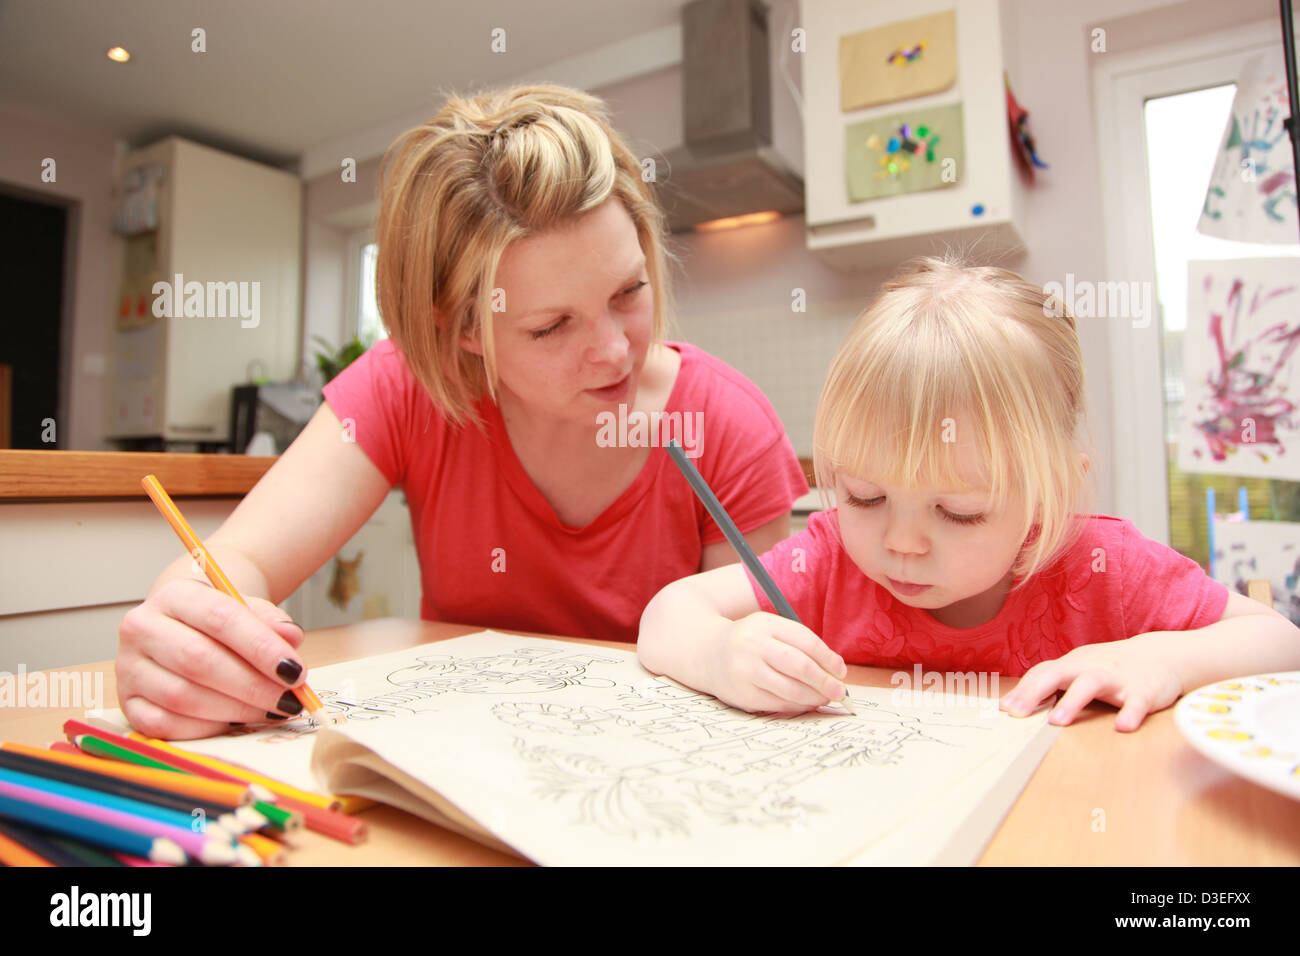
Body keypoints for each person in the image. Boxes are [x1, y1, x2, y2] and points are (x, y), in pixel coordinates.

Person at [116, 84, 807, 740]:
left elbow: (764, 657)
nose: (614, 352)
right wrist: (186, 634)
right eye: (551, 326)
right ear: (463, 331)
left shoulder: (725, 422)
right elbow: (238, 558)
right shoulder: (409, 388)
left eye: (629, 291)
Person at [638, 256, 1300, 731]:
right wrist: (719, 654)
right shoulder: (829, 561)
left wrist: (1159, 658)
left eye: (959, 512)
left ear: (1050, 498)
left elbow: (1280, 644)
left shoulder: (1102, 569)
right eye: (864, 497)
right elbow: (669, 612)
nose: (900, 542)